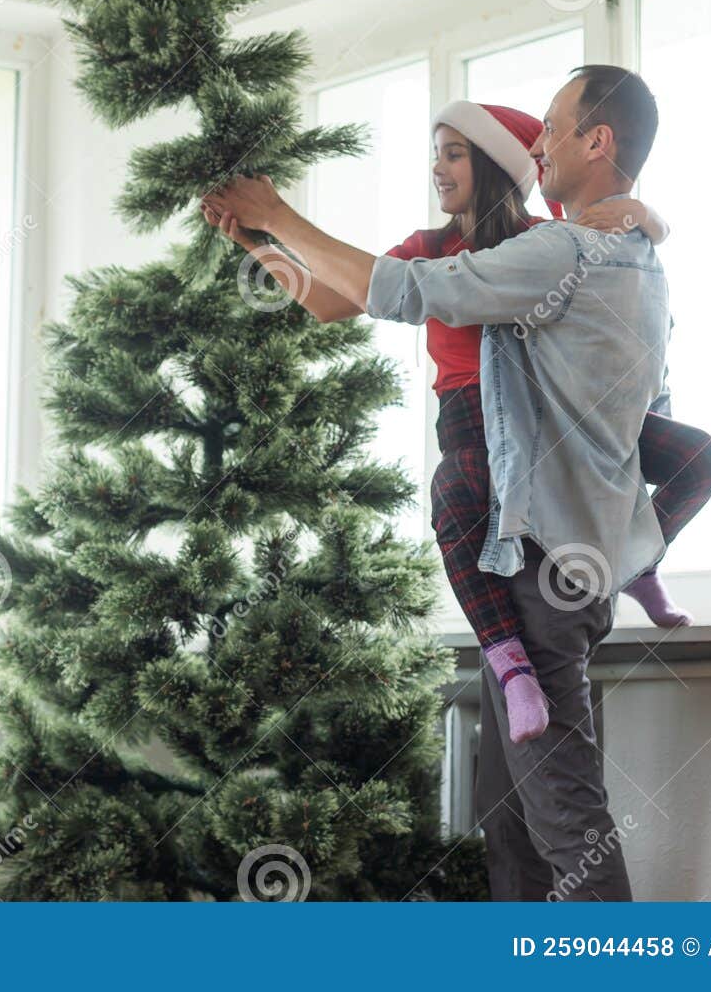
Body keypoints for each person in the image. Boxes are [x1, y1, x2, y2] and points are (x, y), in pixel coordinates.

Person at [205, 64, 686, 901]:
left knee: (561, 809)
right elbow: (337, 298)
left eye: (552, 127)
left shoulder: (549, 248)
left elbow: (400, 293)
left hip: (535, 530)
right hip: (541, 539)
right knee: (515, 811)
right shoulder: (612, 249)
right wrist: (255, 241)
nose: (543, 142)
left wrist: (277, 212)